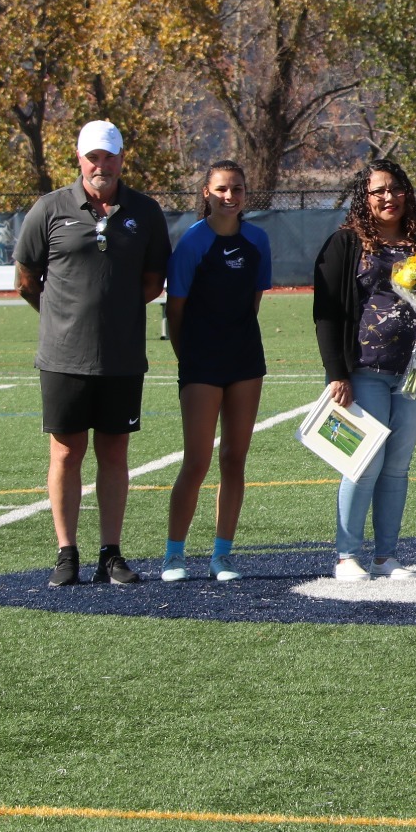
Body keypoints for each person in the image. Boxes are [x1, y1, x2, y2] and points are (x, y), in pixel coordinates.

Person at [16, 120, 172, 586]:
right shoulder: (49, 208)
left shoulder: (144, 211)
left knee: (114, 451)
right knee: (65, 453)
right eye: (92, 157)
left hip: (122, 356)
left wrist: (115, 311)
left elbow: (152, 282)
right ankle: (66, 553)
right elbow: (27, 278)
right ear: (79, 159)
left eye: (108, 156)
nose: (100, 165)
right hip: (62, 357)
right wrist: (63, 316)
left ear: (122, 158)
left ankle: (111, 553)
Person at [313, 159, 416, 581]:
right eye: (379, 190)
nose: (389, 197)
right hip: (364, 370)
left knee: (398, 466)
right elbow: (327, 313)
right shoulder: (345, 243)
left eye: (396, 188)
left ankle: (387, 556)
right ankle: (348, 555)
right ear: (363, 197)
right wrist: (337, 372)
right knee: (362, 461)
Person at [160, 160, 270, 583]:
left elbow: (253, 301)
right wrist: (192, 359)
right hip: (201, 363)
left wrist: (233, 341)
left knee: (234, 459)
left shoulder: (258, 240)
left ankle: (222, 556)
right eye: (222, 189)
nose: (231, 197)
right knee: (197, 460)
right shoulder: (192, 242)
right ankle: (174, 555)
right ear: (206, 192)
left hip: (245, 361)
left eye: (238, 189)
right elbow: (176, 311)